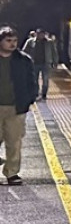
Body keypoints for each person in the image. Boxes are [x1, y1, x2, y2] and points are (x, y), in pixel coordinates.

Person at [0, 27, 37, 185]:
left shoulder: (24, 60)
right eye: (8, 41)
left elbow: (31, 81)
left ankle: (12, 173)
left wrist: (29, 99)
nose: (12, 44)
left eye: (14, 41)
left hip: (16, 108)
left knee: (14, 142)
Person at [26, 27, 57, 100]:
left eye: (42, 34)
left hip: (46, 64)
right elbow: (25, 51)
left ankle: (44, 94)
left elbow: (54, 52)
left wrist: (55, 62)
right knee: (34, 79)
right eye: (39, 34)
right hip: (34, 64)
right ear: (36, 34)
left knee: (45, 79)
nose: (40, 35)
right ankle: (36, 93)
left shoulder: (49, 42)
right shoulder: (30, 42)